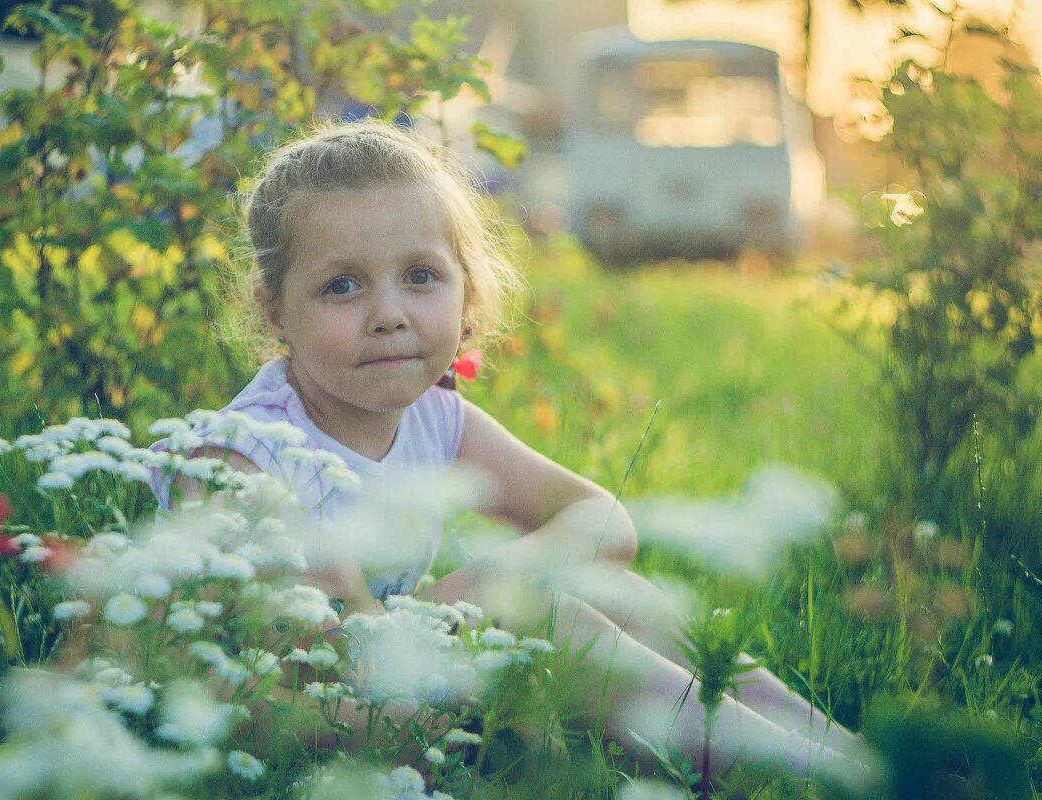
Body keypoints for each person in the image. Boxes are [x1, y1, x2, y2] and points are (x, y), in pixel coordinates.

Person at [154, 117, 865, 785]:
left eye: (421, 276)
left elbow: (605, 521)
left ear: (466, 291)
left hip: (403, 687)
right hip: (312, 736)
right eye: (343, 286)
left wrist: (499, 585)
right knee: (552, 621)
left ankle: (853, 762)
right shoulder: (244, 458)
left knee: (612, 596)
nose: (390, 314)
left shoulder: (435, 418)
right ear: (275, 309)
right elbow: (327, 657)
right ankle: (799, 781)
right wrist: (500, 603)